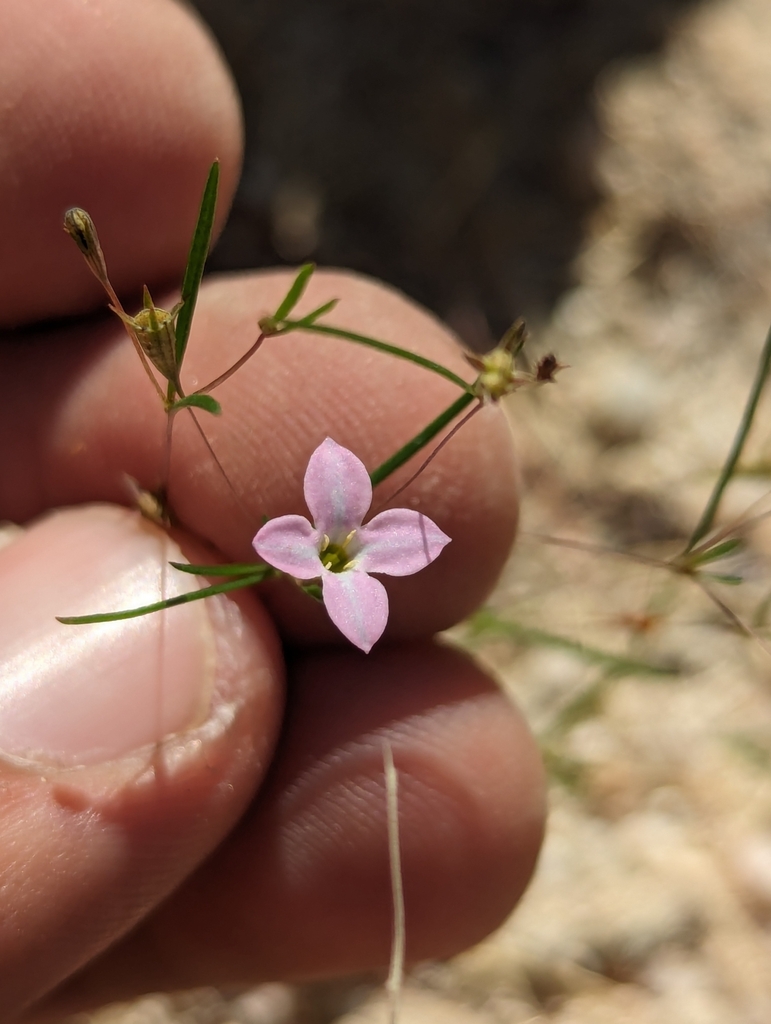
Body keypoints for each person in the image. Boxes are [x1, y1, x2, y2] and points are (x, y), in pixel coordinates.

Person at [0, 1, 545, 1018]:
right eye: (334, 549)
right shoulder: (302, 531)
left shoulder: (353, 543)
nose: (338, 550)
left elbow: (381, 547)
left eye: (339, 551)